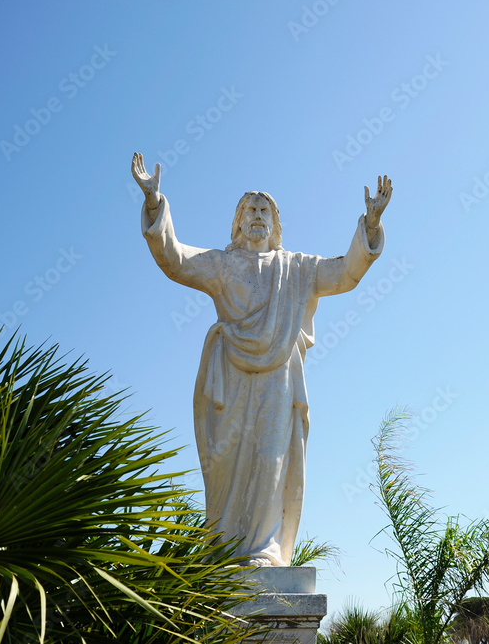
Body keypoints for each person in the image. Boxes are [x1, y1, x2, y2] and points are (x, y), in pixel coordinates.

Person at [131, 152, 391, 566]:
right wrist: (153, 204)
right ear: (238, 221)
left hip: (278, 379)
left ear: (275, 223)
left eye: (264, 209)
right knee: (227, 460)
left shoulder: (298, 270)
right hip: (231, 376)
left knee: (271, 459)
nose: (256, 215)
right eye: (249, 209)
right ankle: (223, 550)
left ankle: (265, 550)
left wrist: (371, 226)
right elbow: (175, 259)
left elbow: (344, 273)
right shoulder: (221, 264)